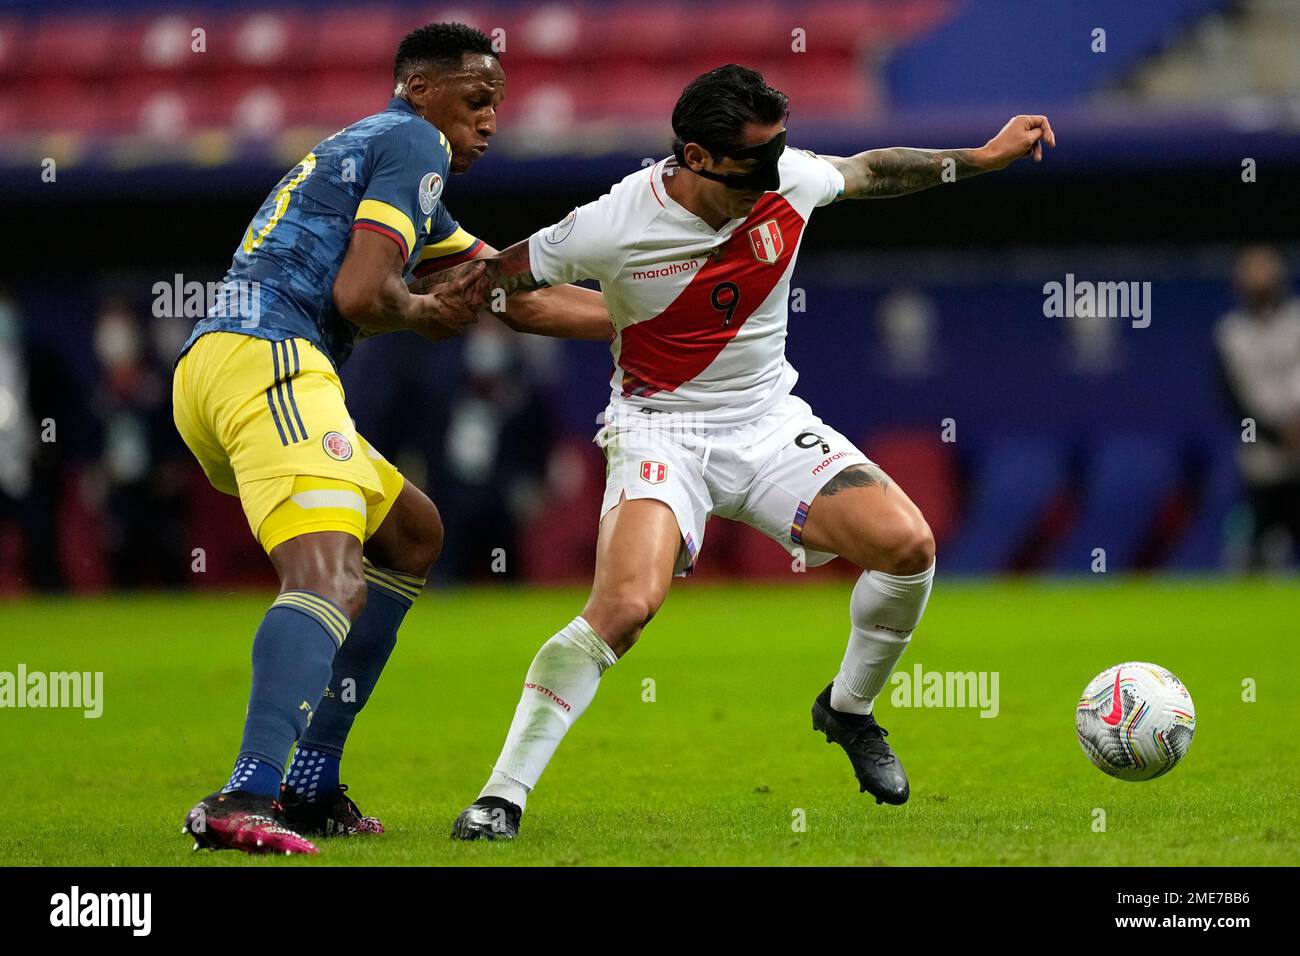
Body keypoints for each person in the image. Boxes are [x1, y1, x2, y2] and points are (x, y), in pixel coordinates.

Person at [448, 64, 1053, 840]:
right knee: (625, 608)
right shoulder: (610, 223)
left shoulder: (788, 179)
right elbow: (505, 287)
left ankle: (848, 710)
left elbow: (871, 170)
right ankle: (502, 796)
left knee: (908, 546)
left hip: (768, 423)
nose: (775, 174)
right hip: (660, 429)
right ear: (697, 157)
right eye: (755, 162)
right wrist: (620, 321)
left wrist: (979, 157)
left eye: (781, 152)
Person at [172, 22, 610, 855]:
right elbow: (364, 293)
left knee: (412, 532)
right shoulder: (413, 141)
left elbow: (508, 290)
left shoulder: (393, 171)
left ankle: (310, 783)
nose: (490, 121)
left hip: (235, 368)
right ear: (420, 90)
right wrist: (420, 311)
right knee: (329, 581)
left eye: (499, 107)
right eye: (477, 101)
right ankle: (245, 795)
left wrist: (649, 325)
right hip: (267, 358)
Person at [1215, 245, 1300, 568]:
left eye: (1266, 274)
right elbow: (1233, 401)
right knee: (1255, 555)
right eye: (1252, 277)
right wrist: (1277, 435)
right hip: (1262, 462)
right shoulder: (1230, 333)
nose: (1260, 285)